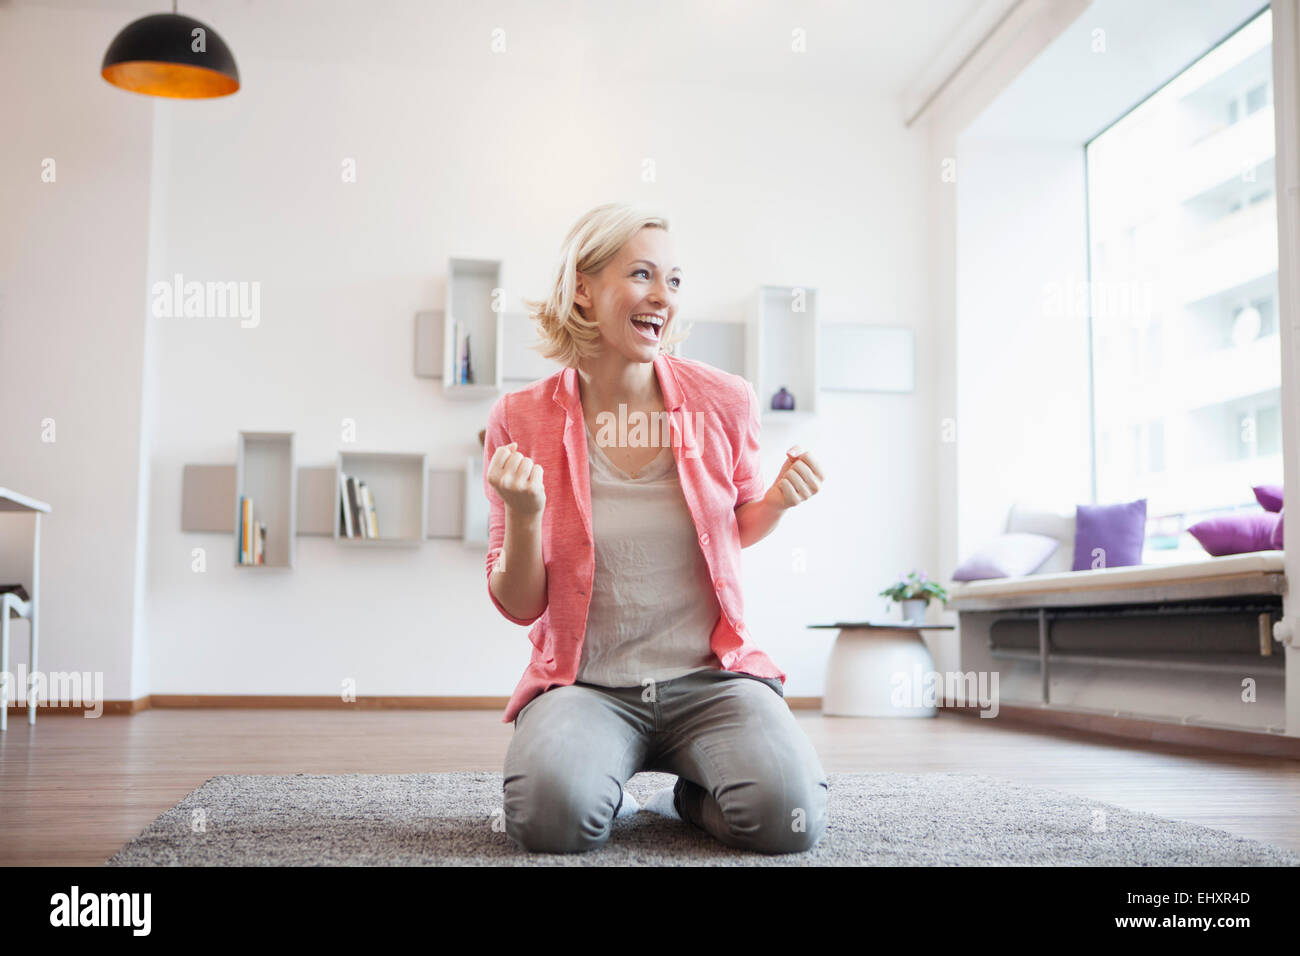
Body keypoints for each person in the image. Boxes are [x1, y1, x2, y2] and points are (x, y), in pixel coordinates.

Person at [483, 202, 829, 854]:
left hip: (710, 680)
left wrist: (777, 501)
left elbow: (734, 528)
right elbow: (518, 602)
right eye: (641, 274)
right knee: (551, 820)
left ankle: (691, 796)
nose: (661, 297)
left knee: (788, 818)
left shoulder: (724, 400)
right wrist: (527, 517)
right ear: (582, 289)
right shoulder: (519, 418)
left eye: (673, 280)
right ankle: (601, 781)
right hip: (587, 686)